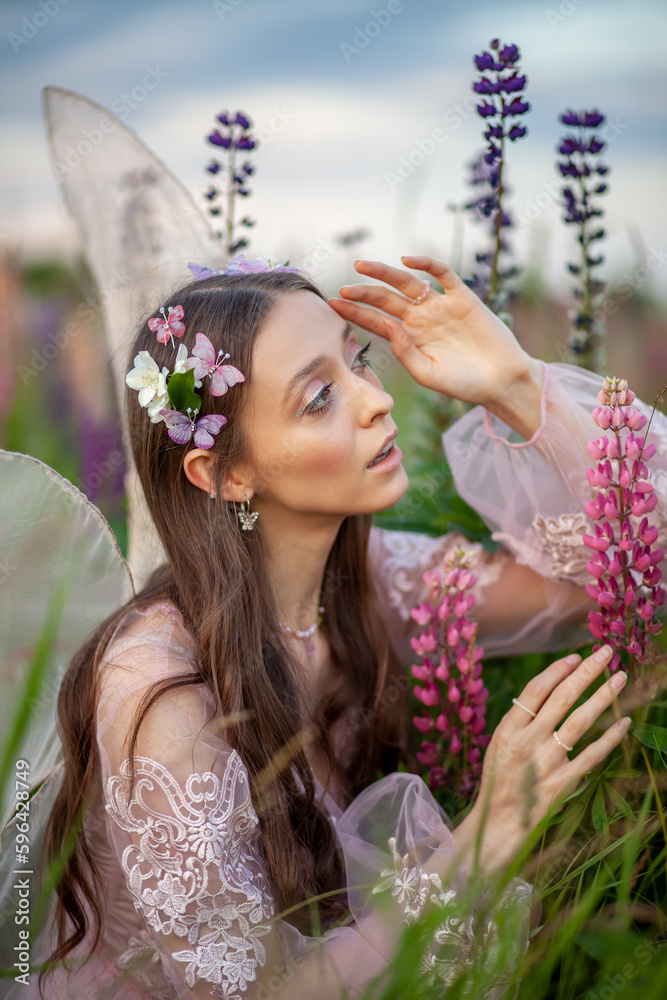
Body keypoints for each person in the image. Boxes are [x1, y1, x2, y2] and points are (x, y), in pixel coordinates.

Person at [15, 254, 663, 999]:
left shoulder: (369, 581)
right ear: (225, 475)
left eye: (360, 362)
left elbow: (628, 573)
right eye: (320, 395)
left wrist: (514, 383)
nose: (374, 401)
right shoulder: (160, 690)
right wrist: (486, 835)